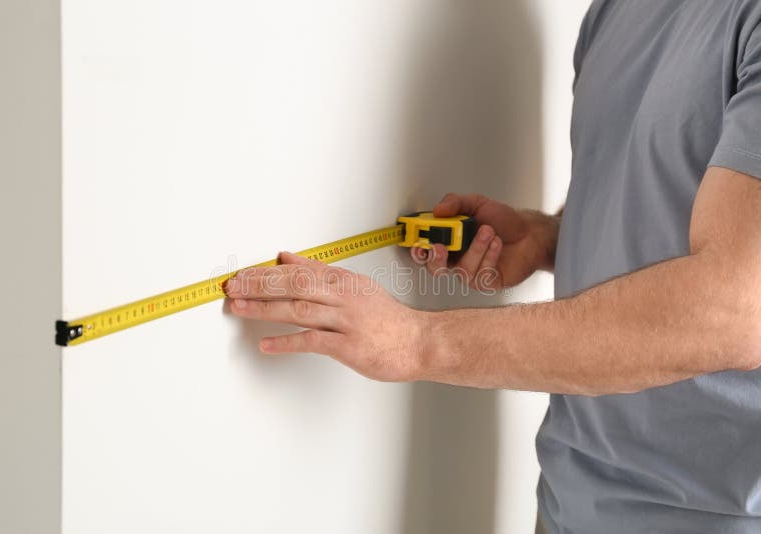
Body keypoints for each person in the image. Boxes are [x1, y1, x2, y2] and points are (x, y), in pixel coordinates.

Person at [224, 1, 761, 532]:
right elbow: (662, 189)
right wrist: (548, 236)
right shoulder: (614, 10)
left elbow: (732, 311)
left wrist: (416, 340)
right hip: (565, 502)